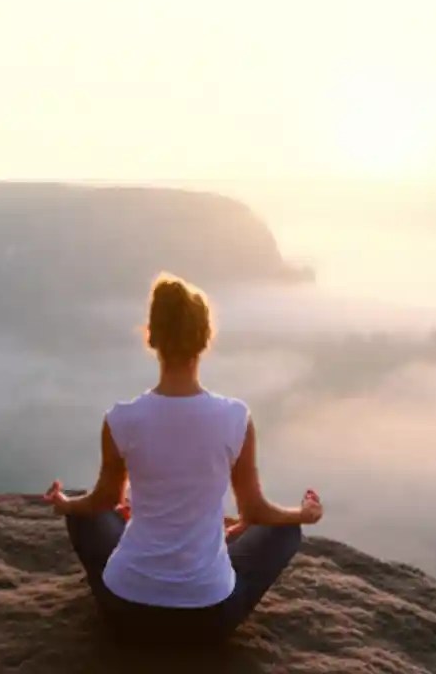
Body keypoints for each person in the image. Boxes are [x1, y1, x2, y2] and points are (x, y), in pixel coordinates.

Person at [42, 273, 323, 644]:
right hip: (207, 619)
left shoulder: (122, 419)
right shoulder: (235, 418)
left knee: (84, 513)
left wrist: (65, 505)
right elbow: (254, 511)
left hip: (125, 610)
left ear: (152, 337)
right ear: (205, 339)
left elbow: (105, 501)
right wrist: (302, 515)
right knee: (285, 531)